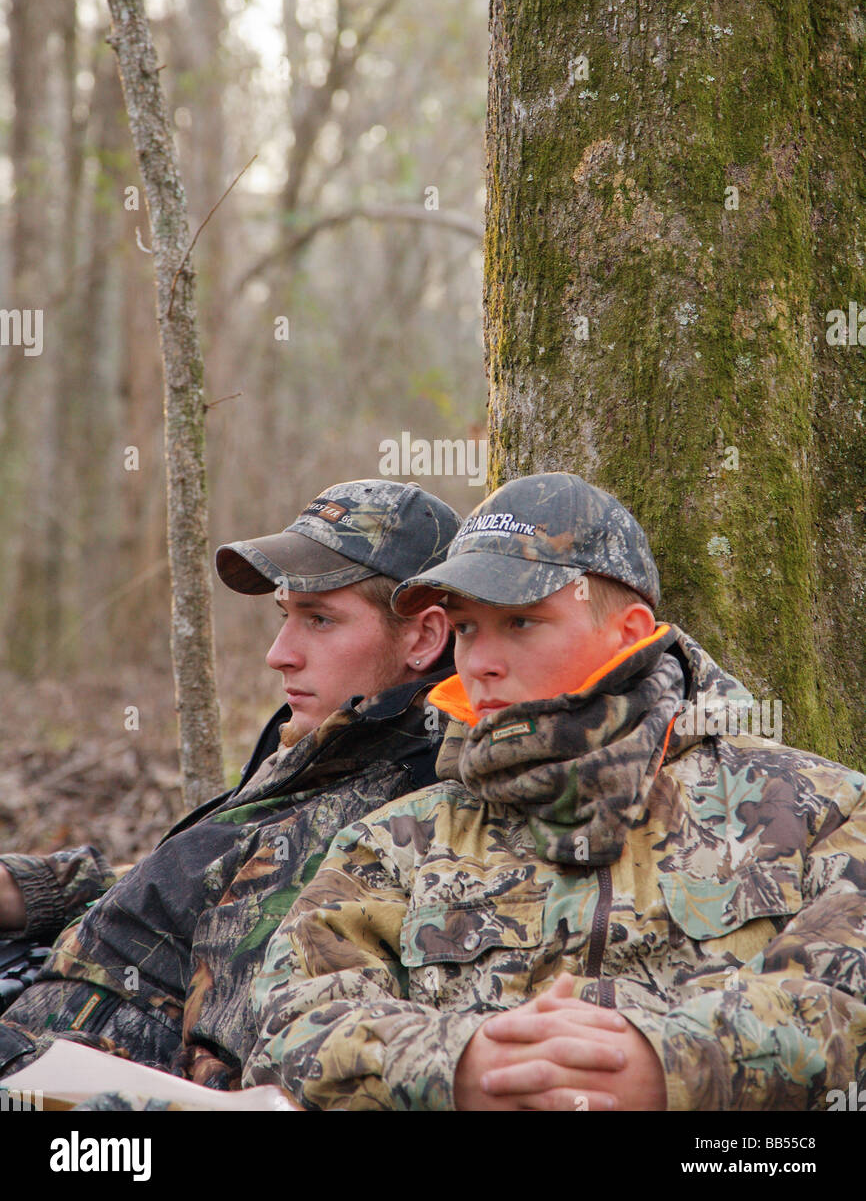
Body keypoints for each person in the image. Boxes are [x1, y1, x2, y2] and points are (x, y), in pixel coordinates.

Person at [243, 471, 866, 1111]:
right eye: (467, 628)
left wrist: (665, 1064)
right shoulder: (397, 840)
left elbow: (849, 998)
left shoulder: (820, 809)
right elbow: (287, 1025)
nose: (480, 661)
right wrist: (460, 1065)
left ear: (629, 633)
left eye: (520, 622)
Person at [0, 479, 461, 1088]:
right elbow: (208, 884)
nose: (279, 653)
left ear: (423, 637)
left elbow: (215, 1079)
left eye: (320, 620)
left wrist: (20, 1064)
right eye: (286, 616)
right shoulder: (335, 745)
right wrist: (38, 890)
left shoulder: (393, 812)